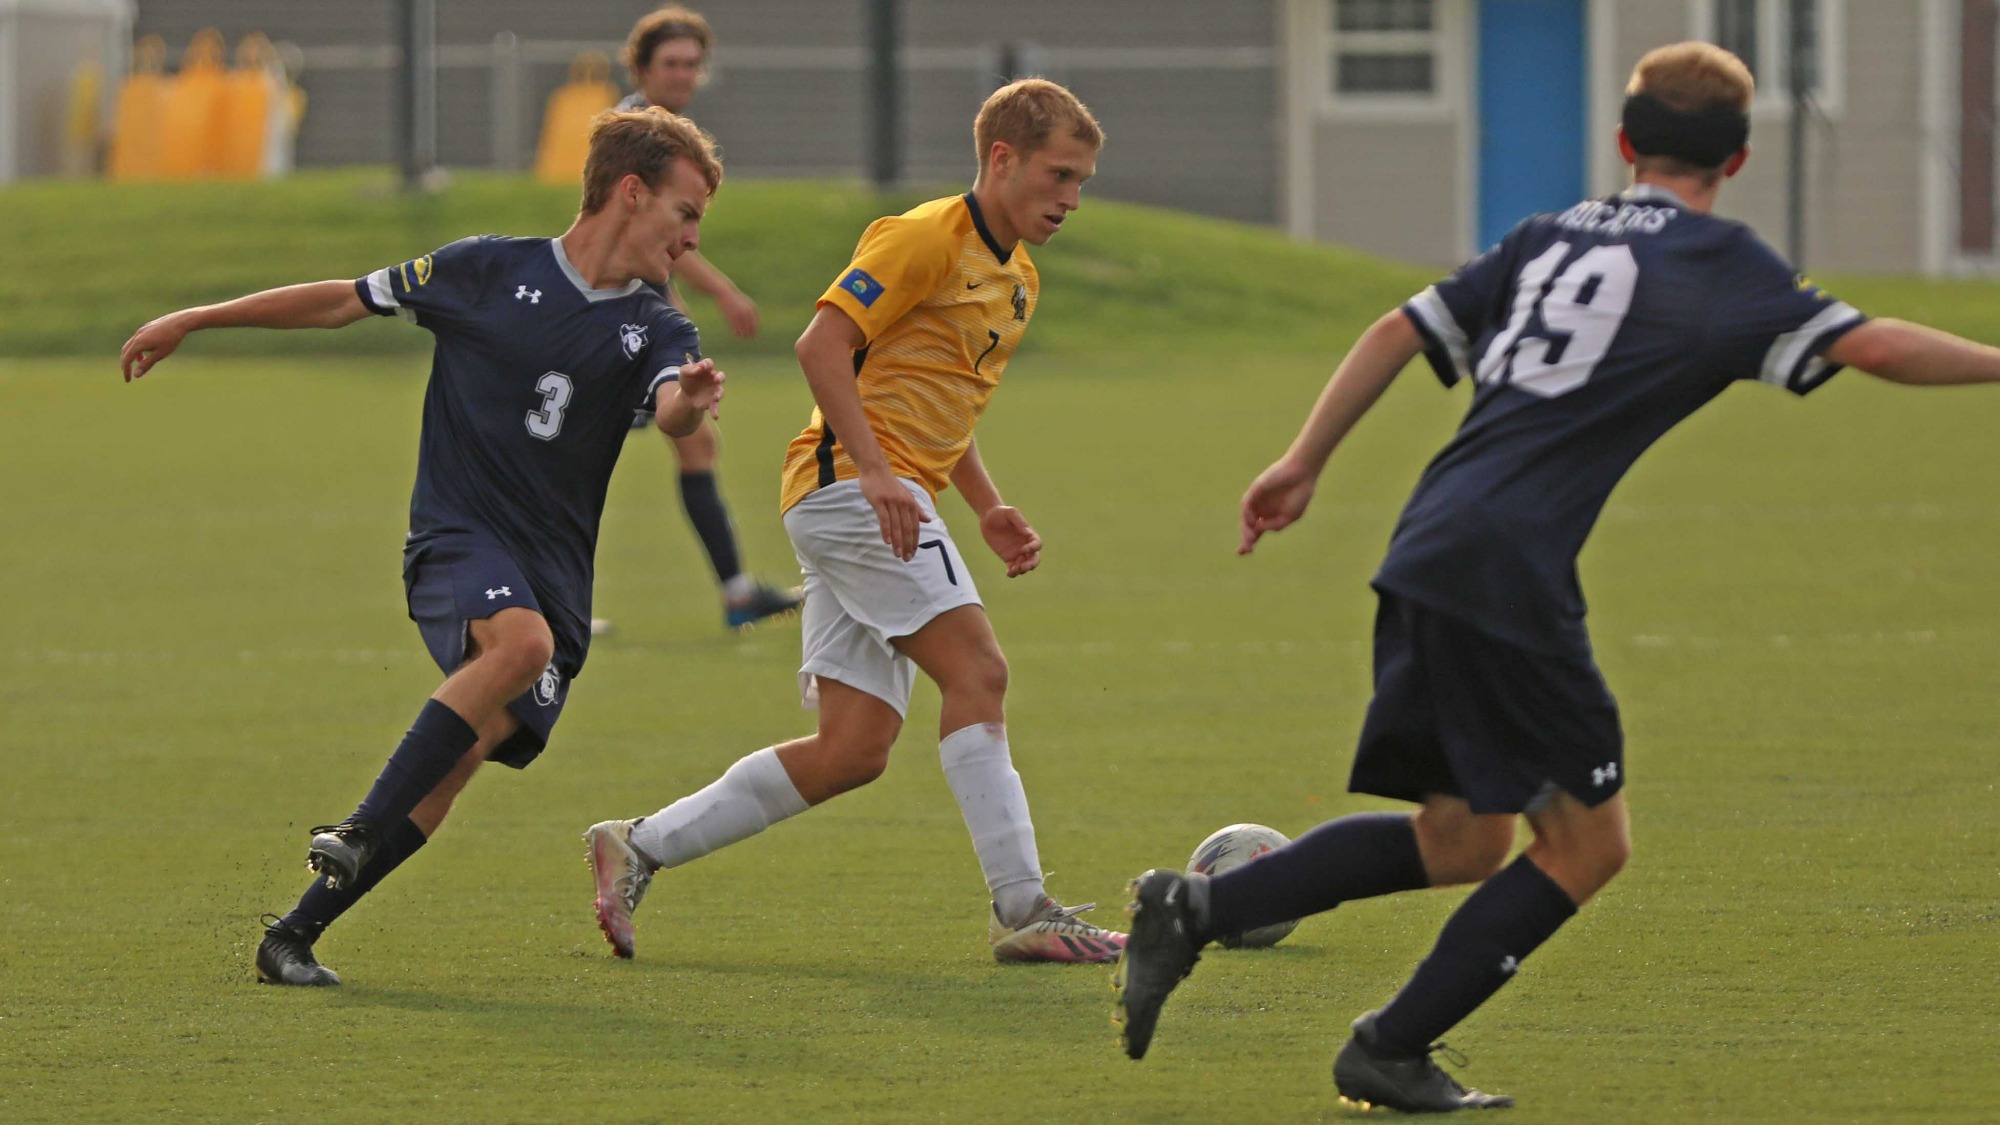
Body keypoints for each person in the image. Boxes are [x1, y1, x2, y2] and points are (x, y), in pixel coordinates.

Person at [1111, 41, 2000, 1112]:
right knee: (1585, 842)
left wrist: (1302, 460)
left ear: (1624, 143)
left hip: (1428, 547)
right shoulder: (1719, 264)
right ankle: (1385, 1046)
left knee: (1464, 837)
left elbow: (1399, 326)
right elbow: (1871, 345)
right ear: (1739, 156)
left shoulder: (1546, 237)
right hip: (1507, 573)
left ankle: (1195, 911)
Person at [119, 108, 729, 986]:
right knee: (520, 646)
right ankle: (362, 825)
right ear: (632, 193)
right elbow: (341, 300)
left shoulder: (659, 327)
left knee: (455, 766)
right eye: (685, 212)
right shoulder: (487, 267)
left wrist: (691, 400)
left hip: (555, 575)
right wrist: (198, 317)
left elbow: (671, 404)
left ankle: (291, 935)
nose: (692, 238)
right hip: (458, 538)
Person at [583, 78, 1124, 965]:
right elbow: (819, 344)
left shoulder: (1018, 276)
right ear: (1002, 159)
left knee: (853, 748)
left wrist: (986, 506)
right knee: (979, 671)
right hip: (851, 490)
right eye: (1059, 175)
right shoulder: (923, 237)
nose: (1069, 199)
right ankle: (1025, 907)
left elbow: (940, 402)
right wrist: (877, 472)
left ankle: (637, 844)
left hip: (881, 495)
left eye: (1082, 182)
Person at [595, 4, 801, 635]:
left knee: (692, 440)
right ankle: (545, 599)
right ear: (640, 67)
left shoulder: (668, 134)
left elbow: (669, 239)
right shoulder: (634, 136)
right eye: (671, 63)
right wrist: (717, 296)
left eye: (692, 64)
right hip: (614, 313)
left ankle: (737, 591)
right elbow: (645, 237)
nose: (684, 75)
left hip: (642, 309)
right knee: (577, 454)